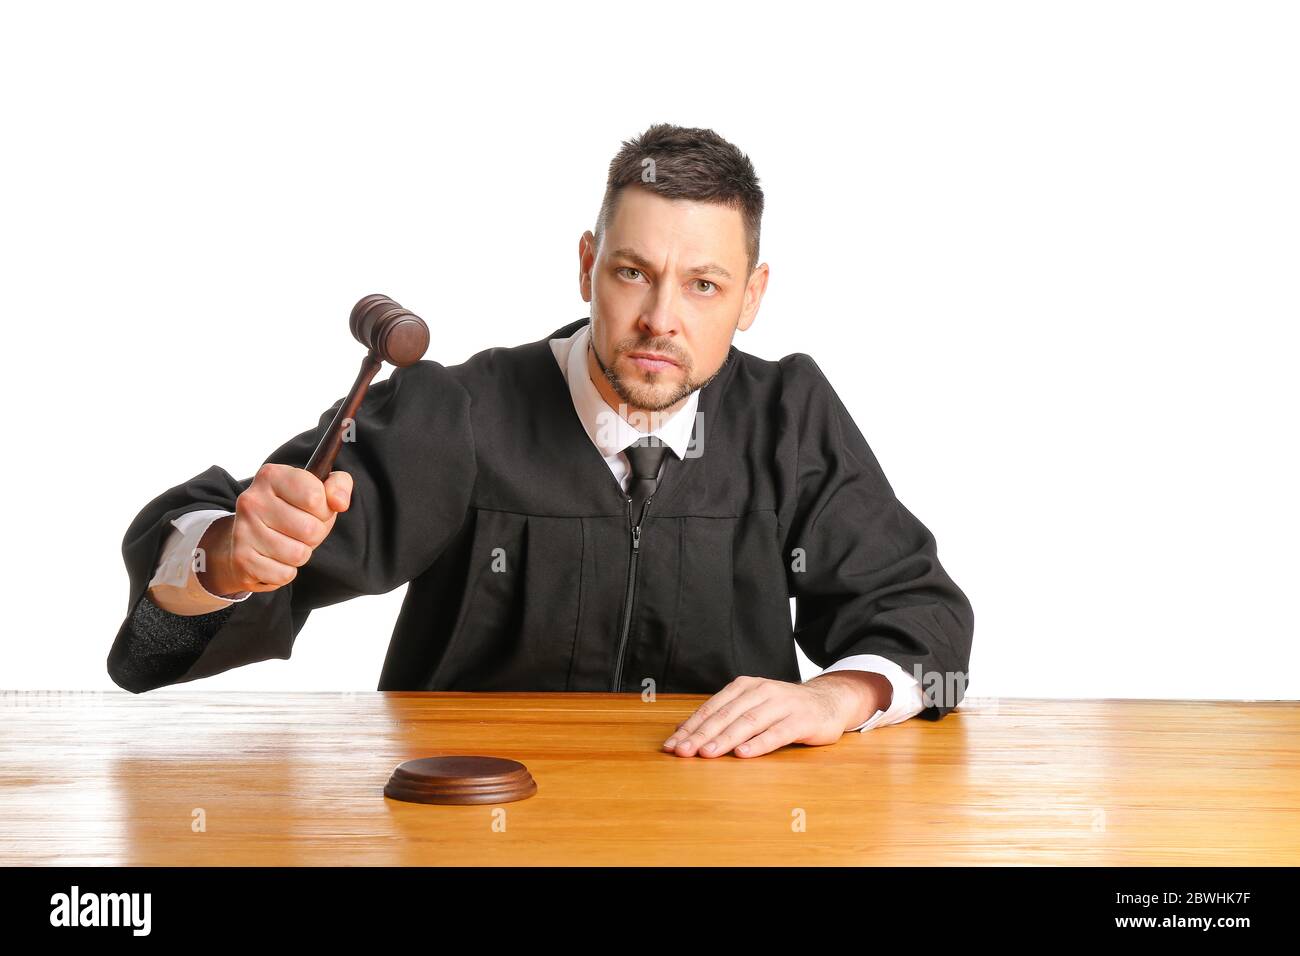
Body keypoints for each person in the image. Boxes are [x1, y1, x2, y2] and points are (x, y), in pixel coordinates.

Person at [108, 123, 974, 759]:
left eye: (704, 285)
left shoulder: (790, 419)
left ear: (752, 297)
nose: (659, 319)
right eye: (632, 272)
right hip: (468, 838)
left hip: (724, 832)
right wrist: (228, 557)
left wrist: (842, 693)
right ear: (588, 263)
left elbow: (925, 620)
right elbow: (190, 592)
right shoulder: (460, 412)